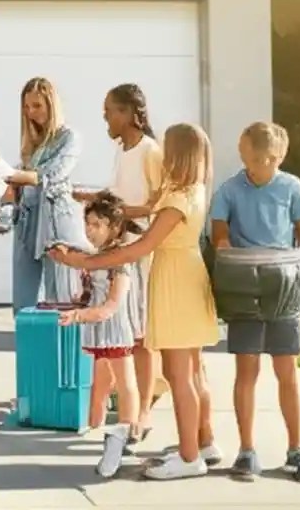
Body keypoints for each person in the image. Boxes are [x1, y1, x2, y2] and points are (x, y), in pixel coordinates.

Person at [52, 122, 222, 480]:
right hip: (189, 276)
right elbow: (143, 213)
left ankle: (190, 458)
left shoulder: (176, 199)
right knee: (193, 370)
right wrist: (97, 202)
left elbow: (143, 246)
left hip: (176, 283)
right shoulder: (192, 191)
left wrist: (82, 261)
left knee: (179, 375)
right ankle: (204, 442)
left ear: (176, 155)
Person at [209, 121, 300, 481]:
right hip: (246, 289)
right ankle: (247, 451)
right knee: (247, 371)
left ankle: (296, 450)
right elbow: (220, 236)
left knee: (287, 372)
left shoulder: (291, 186)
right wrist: (235, 259)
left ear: (274, 157)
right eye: (246, 154)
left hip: (284, 290)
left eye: (259, 157)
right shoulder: (229, 190)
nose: (250, 161)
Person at [74, 83, 168, 437]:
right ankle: (126, 407)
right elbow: (120, 198)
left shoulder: (149, 151)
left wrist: (115, 213)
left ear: (129, 113)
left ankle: (142, 413)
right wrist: (94, 199)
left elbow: (158, 206)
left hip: (140, 255)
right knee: (123, 336)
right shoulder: (123, 151)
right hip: (120, 254)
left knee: (141, 337)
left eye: (110, 111)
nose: (105, 118)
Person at [59, 190, 143, 478]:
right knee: (101, 382)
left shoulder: (120, 261)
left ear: (114, 227)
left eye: (97, 224)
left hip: (115, 331)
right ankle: (95, 425)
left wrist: (79, 315)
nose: (90, 230)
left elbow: (110, 306)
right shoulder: (98, 256)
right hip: (98, 331)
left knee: (125, 382)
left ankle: (129, 430)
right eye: (88, 223)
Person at [7, 77, 91, 313]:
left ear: (51, 105)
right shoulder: (32, 143)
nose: (31, 112)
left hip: (56, 221)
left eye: (37, 106)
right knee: (24, 300)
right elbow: (23, 184)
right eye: (26, 107)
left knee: (61, 296)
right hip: (27, 221)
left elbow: (53, 174)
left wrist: (10, 173)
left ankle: (64, 348)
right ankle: (31, 347)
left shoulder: (70, 137)